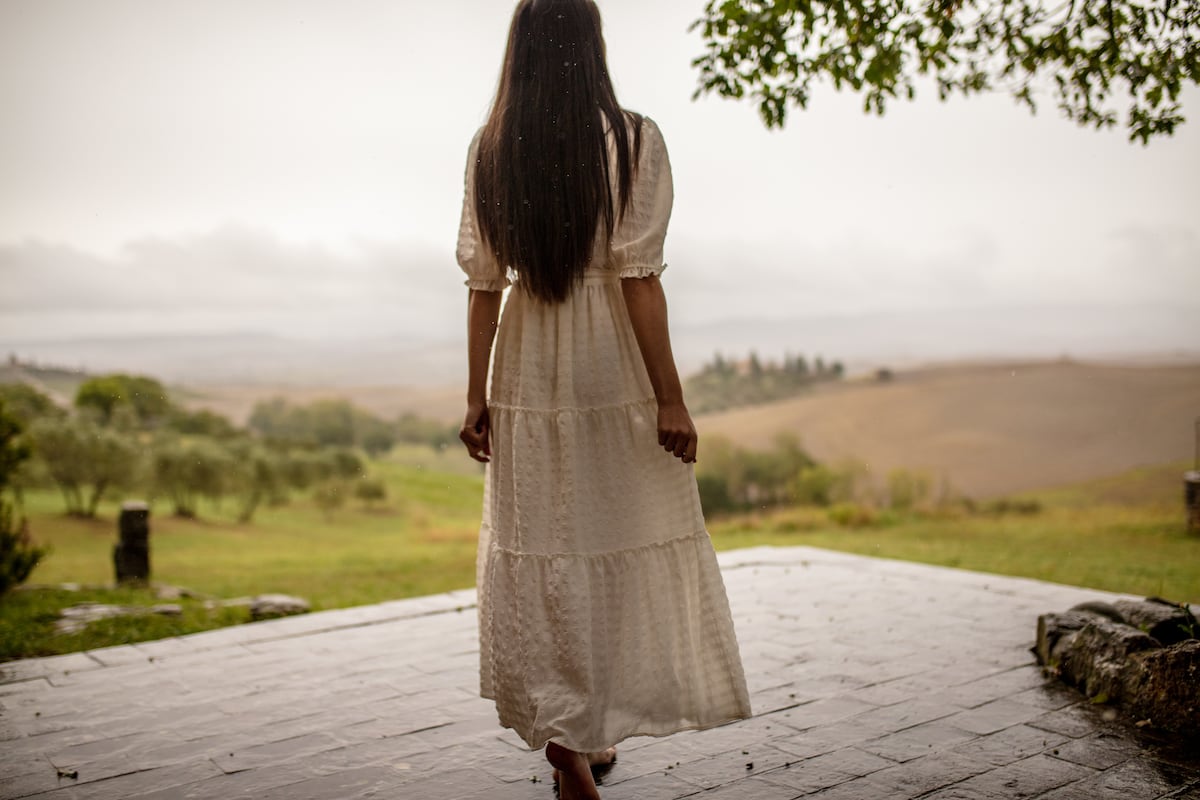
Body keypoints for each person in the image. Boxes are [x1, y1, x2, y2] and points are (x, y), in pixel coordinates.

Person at [455, 1, 752, 797]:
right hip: (607, 360)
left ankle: (573, 738)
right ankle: (582, 732)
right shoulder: (632, 138)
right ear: (592, 45)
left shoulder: (490, 150)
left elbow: (484, 287)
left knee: (544, 544)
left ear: (520, 49)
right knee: (614, 535)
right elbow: (639, 279)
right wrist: (671, 400)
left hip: (524, 360)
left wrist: (476, 396)